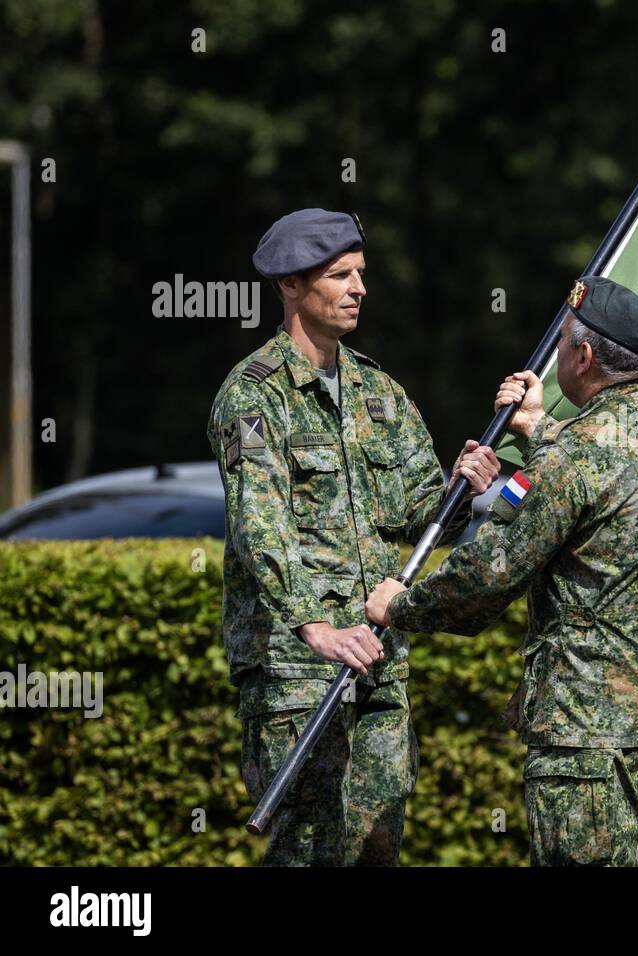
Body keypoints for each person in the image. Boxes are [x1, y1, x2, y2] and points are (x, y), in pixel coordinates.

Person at [365, 275, 638, 866]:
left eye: (562, 344)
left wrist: (398, 604)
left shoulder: (573, 456)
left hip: (588, 728)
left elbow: (487, 576)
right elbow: (613, 484)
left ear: (584, 356)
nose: (557, 354)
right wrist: (536, 431)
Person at [207, 207, 500, 865]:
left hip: (378, 664)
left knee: (376, 850)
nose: (358, 288)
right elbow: (262, 524)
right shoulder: (255, 396)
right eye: (339, 275)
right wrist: (316, 627)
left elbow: (427, 512)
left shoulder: (381, 394)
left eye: (360, 273)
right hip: (298, 672)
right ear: (290, 285)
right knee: (308, 850)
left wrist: (466, 487)